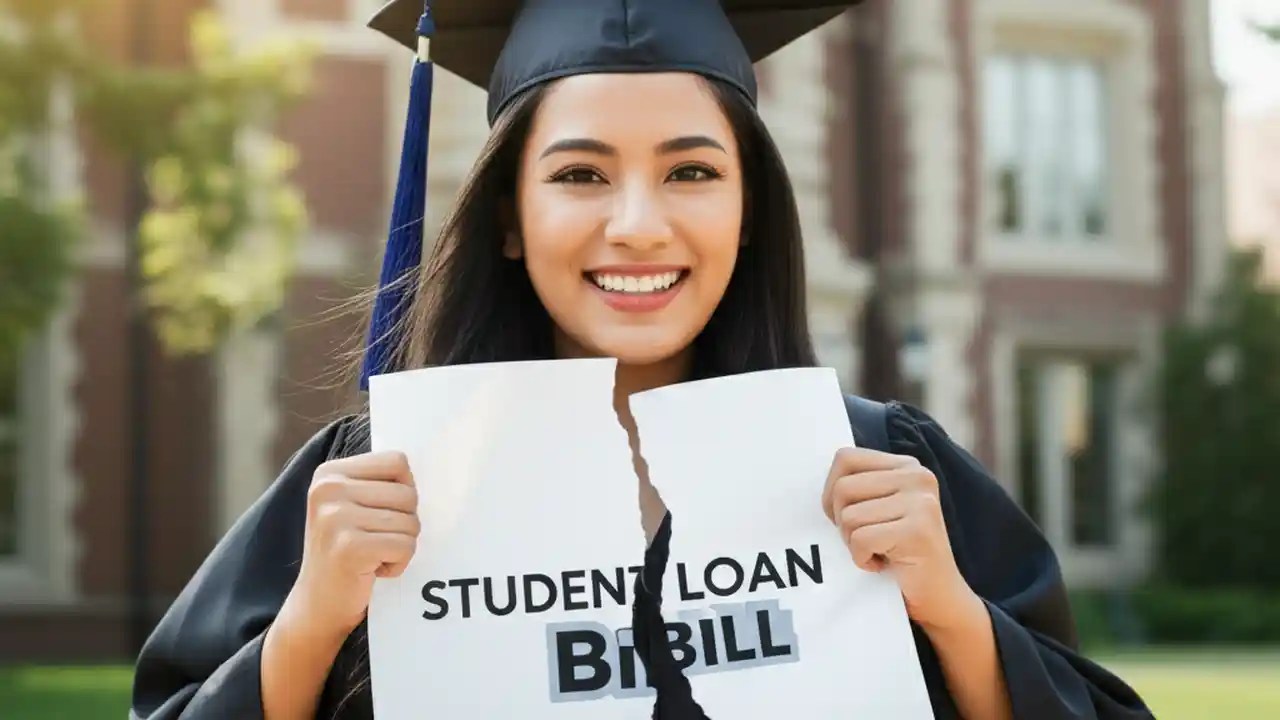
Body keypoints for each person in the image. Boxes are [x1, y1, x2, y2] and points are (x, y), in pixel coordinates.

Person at [130, 1, 1155, 718]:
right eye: (579, 174)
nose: (636, 224)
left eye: (691, 173)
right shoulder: (375, 487)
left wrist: (949, 613)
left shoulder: (884, 466)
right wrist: (311, 624)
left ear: (749, 209)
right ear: (508, 218)